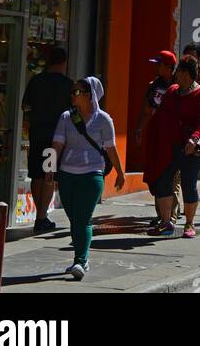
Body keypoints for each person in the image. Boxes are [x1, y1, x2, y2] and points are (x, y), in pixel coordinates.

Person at [47, 77, 124, 281]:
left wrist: (120, 172)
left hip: (92, 174)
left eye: (77, 91)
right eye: (72, 91)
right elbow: (56, 144)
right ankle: (79, 258)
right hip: (67, 174)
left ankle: (81, 260)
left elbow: (111, 148)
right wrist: (49, 168)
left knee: (82, 218)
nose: (72, 94)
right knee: (75, 220)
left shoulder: (104, 120)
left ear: (90, 95)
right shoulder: (66, 117)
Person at [145, 55, 200, 239]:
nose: (178, 76)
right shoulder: (172, 91)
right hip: (172, 146)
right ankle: (166, 223)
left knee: (188, 185)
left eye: (181, 73)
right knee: (163, 180)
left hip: (192, 148)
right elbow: (162, 115)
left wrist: (194, 139)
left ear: (190, 75)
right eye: (178, 73)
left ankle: (190, 224)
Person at [22, 47, 74, 234]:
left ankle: (40, 214)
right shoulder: (68, 85)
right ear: (63, 62)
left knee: (36, 175)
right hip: (56, 139)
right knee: (49, 175)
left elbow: (25, 107)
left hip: (37, 134)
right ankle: (41, 217)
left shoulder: (36, 81)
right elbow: (74, 112)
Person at [136, 50, 182, 227]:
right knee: (157, 174)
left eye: (160, 64)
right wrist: (140, 129)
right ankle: (161, 214)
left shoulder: (180, 85)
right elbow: (146, 109)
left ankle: (171, 216)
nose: (157, 67)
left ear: (169, 66)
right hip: (156, 135)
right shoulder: (154, 85)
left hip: (174, 138)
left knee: (172, 177)